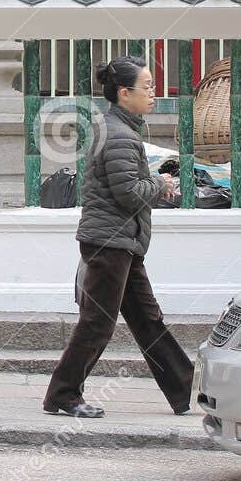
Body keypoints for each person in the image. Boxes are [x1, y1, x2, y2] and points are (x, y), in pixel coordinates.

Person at [43, 56, 194, 419]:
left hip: (121, 242)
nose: (153, 94)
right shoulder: (119, 136)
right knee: (98, 323)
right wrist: (162, 183)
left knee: (147, 319)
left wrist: (154, 185)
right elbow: (129, 193)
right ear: (125, 94)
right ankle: (63, 394)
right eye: (147, 88)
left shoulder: (119, 129)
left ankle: (185, 388)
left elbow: (125, 189)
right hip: (110, 244)